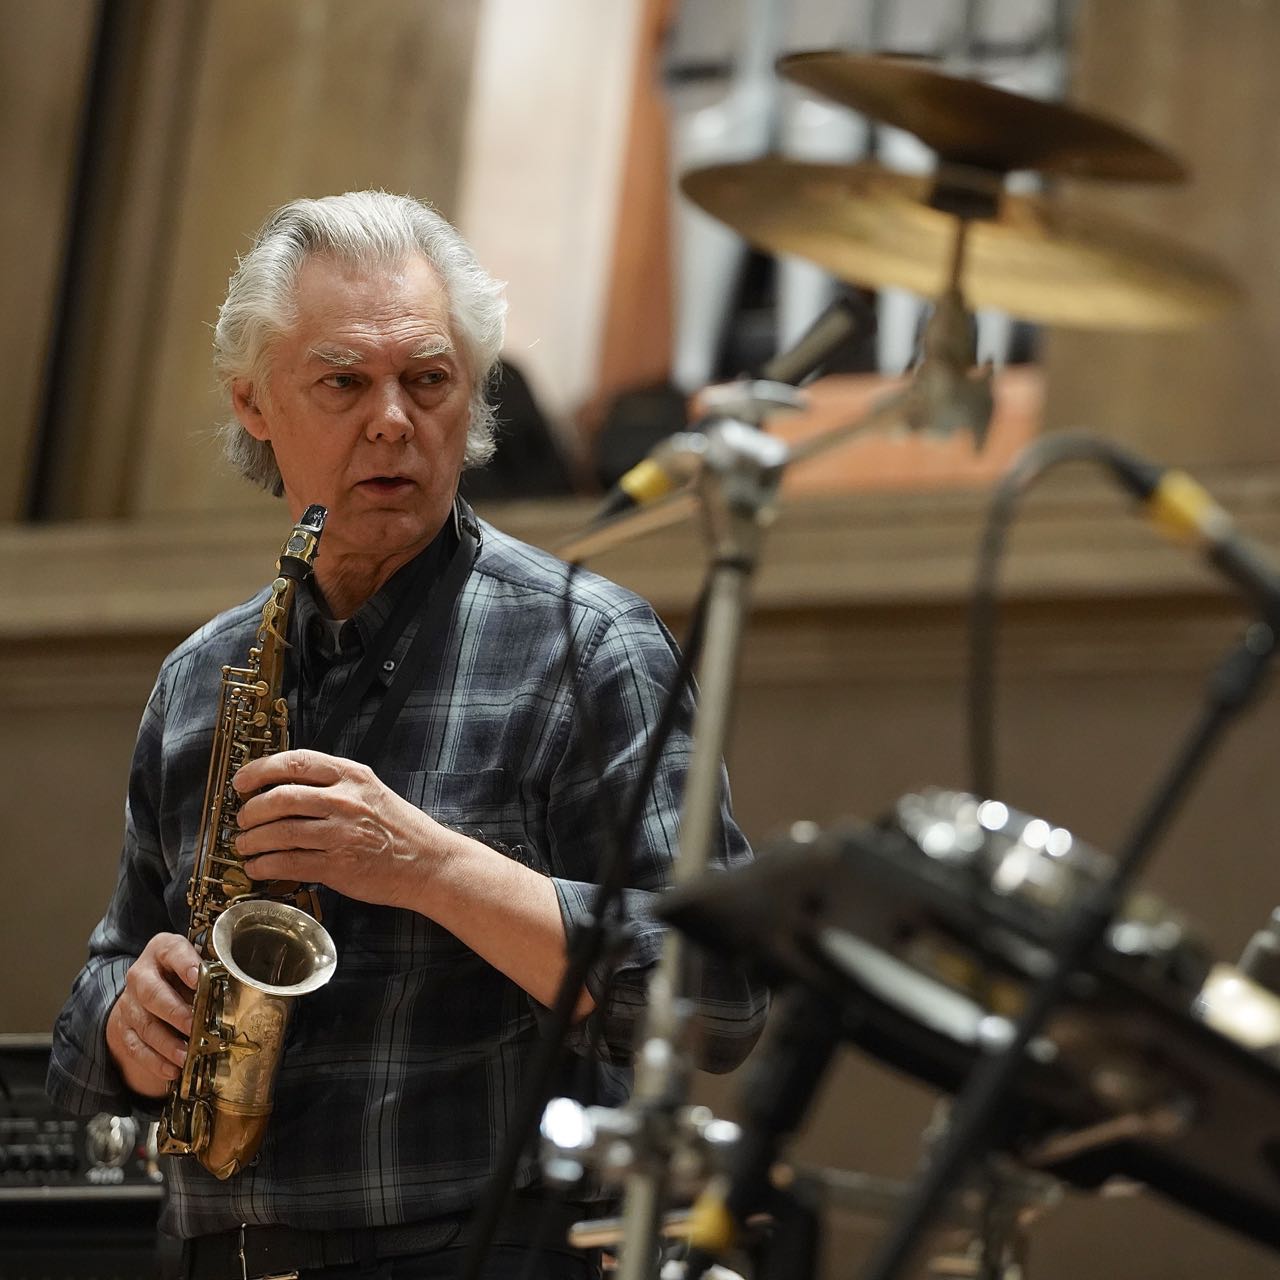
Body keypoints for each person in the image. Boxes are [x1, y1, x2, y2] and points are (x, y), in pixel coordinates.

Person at [46, 191, 768, 1279]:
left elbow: (717, 995)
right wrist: (124, 1014)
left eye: (426, 381)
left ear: (467, 400)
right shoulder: (200, 677)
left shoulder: (590, 643)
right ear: (254, 402)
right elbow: (99, 986)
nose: (392, 420)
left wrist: (427, 865)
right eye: (343, 381)